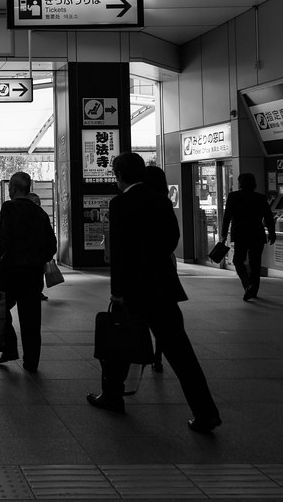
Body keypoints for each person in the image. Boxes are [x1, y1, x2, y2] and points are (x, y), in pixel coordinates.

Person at [87, 153, 221, 433]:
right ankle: (205, 412)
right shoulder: (161, 200)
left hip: (133, 290)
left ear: (119, 176)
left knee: (119, 344)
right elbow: (173, 238)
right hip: (162, 288)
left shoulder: (120, 203)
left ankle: (112, 396)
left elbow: (120, 252)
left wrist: (117, 291)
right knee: (181, 354)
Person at [0, 173, 56, 372]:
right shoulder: (39, 213)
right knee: (31, 319)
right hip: (33, 274)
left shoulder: (9, 207)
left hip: (10, 272)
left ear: (13, 189)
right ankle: (31, 363)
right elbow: (51, 245)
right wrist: (38, 260)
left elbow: (3, 239)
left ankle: (9, 348)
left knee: (0, 309)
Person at [221, 173, 276, 301]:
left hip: (240, 234)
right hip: (257, 234)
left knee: (238, 260)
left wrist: (223, 235)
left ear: (240, 183)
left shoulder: (233, 196)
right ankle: (254, 290)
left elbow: (227, 217)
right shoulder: (260, 197)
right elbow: (268, 217)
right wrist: (272, 233)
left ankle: (247, 285)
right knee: (255, 263)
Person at [142, 165, 171, 373]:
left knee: (138, 318)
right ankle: (158, 357)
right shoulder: (164, 202)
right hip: (163, 266)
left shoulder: (132, 202)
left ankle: (144, 355)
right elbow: (173, 236)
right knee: (164, 320)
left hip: (140, 269)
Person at [26, 192, 51, 301]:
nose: (37, 204)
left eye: (38, 202)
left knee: (38, 276)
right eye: (35, 202)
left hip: (38, 255)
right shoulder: (26, 216)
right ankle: (34, 293)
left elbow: (49, 236)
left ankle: (37, 292)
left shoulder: (42, 215)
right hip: (32, 255)